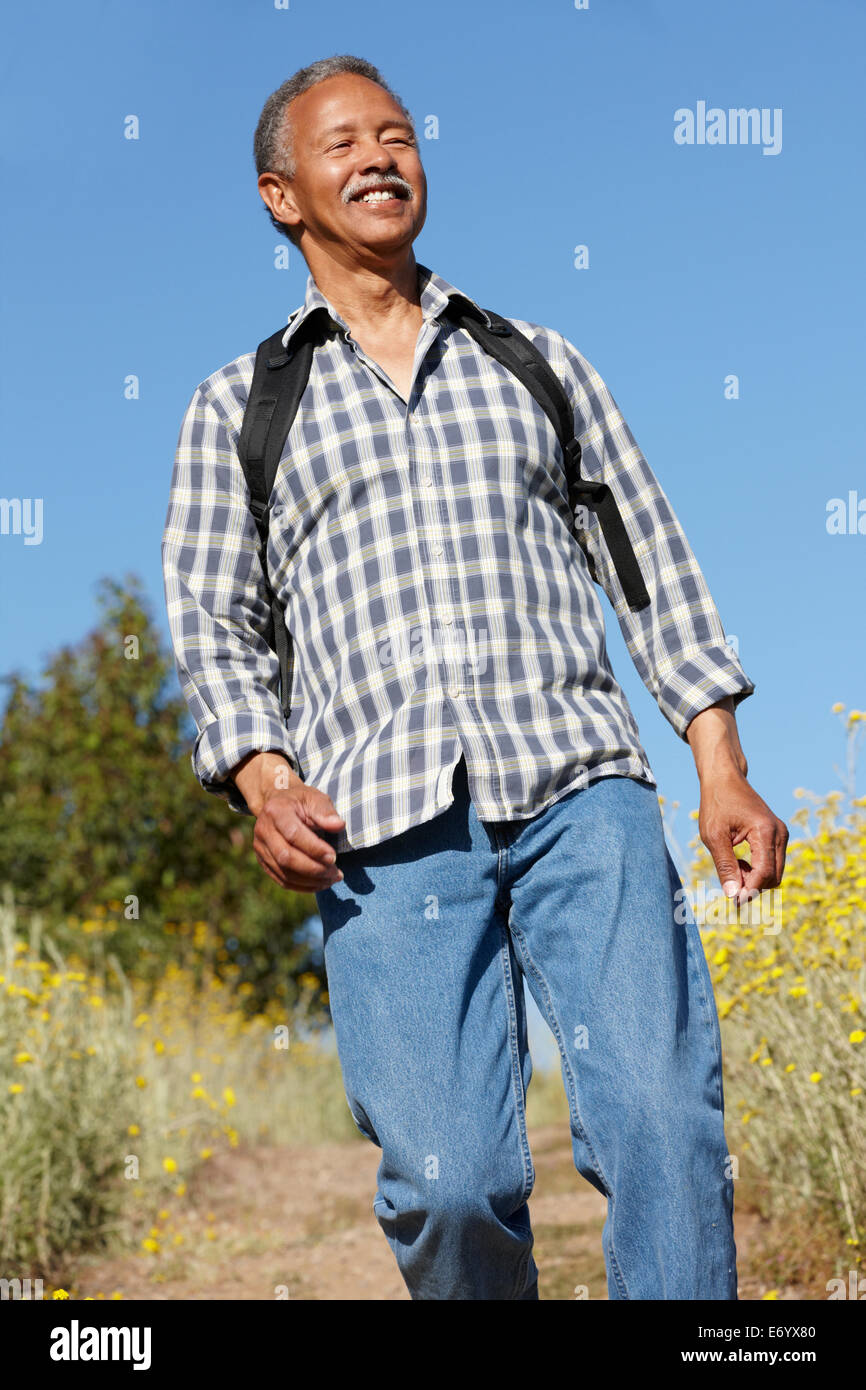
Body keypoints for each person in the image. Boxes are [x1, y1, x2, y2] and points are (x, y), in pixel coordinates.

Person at [161, 54, 788, 1300]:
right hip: (381, 827)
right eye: (341, 144)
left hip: (580, 789)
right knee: (450, 1185)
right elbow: (212, 620)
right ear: (282, 196)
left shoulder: (536, 361)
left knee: (664, 1122)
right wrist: (264, 776)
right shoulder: (241, 403)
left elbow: (647, 563)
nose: (379, 157)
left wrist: (719, 762)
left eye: (395, 135)